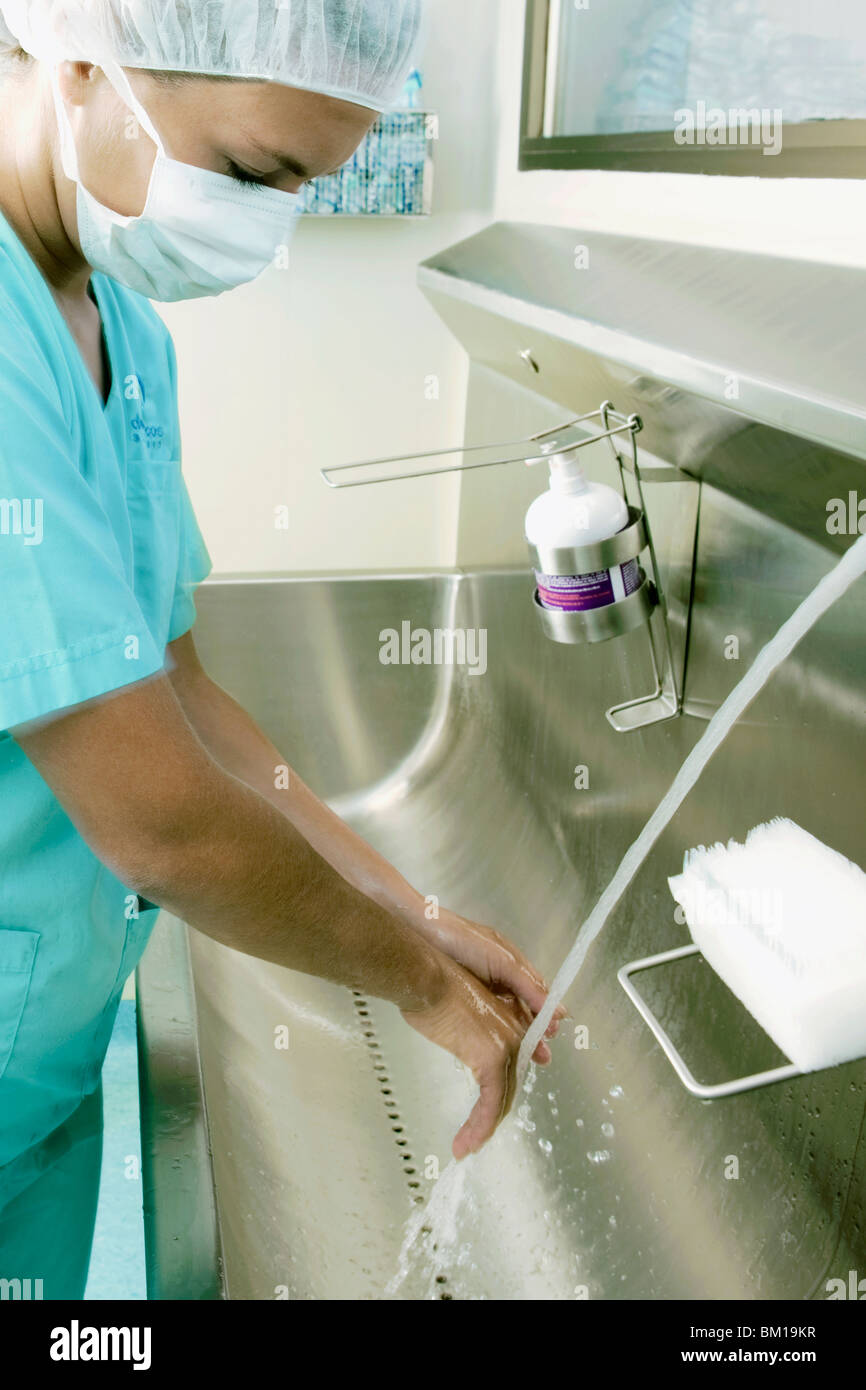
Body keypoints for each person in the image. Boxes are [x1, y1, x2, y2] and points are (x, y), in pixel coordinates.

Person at [0, 0, 564, 1298]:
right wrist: (413, 980)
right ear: (84, 57)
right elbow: (161, 818)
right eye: (254, 173)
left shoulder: (117, 324)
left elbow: (184, 697)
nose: (265, 228)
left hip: (36, 1071)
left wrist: (402, 903)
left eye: (303, 186)